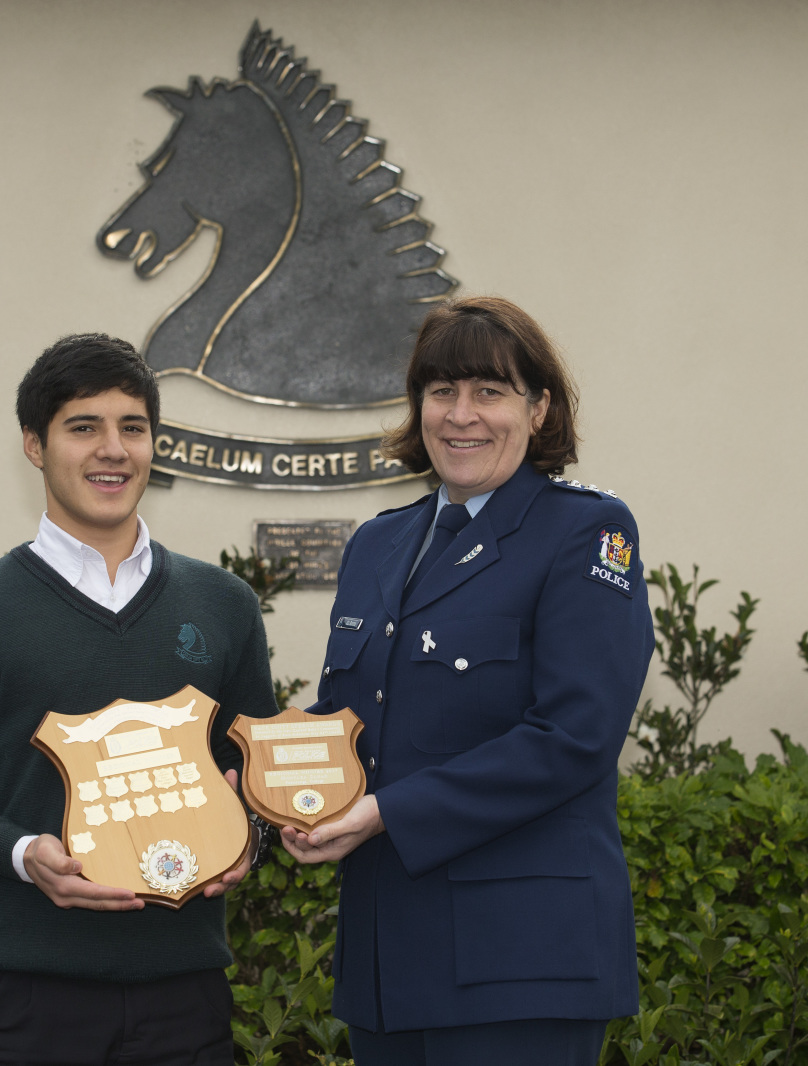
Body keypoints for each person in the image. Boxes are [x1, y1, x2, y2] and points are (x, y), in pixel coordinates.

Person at [0, 333, 278, 1066]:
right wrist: (24, 853)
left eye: (132, 427)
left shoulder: (223, 605)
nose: (113, 450)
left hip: (184, 996)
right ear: (34, 446)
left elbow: (251, 767)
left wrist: (249, 837)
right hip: (24, 1000)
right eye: (83, 427)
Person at [281, 296, 654, 1065]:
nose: (462, 415)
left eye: (491, 391)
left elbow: (574, 737)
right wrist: (256, 779)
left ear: (540, 407)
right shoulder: (380, 544)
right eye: (441, 390)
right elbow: (350, 720)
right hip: (389, 958)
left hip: (520, 961)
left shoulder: (585, 531)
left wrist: (385, 811)